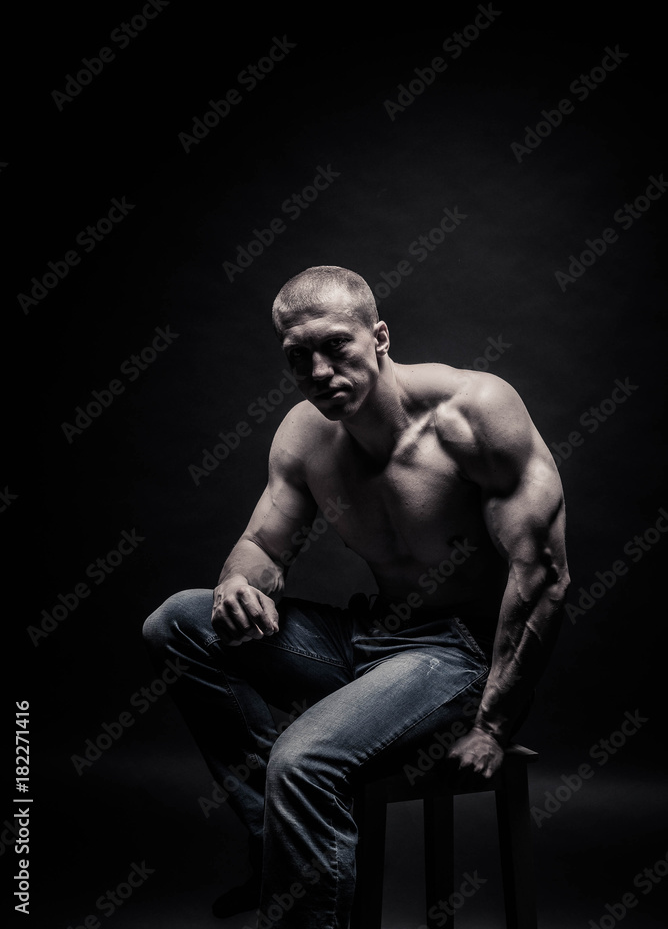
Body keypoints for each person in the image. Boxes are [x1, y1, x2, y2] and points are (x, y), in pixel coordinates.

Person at [143, 265, 570, 929]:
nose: (318, 370)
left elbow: (542, 576)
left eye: (335, 346)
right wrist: (235, 584)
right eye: (297, 358)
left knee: (304, 759)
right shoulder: (303, 435)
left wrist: (493, 725)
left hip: (455, 655)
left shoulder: (476, 411)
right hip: (369, 637)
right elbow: (261, 544)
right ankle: (279, 838)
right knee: (177, 622)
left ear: (379, 335)